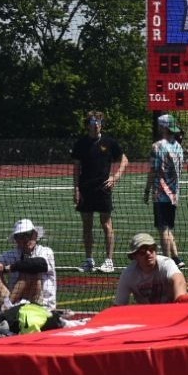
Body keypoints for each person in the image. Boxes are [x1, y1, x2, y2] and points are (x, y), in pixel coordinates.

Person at [70, 111, 128, 274]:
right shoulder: (80, 144)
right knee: (87, 225)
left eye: (99, 122)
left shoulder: (109, 142)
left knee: (106, 224)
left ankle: (109, 261)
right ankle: (89, 260)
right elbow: (76, 168)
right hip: (85, 189)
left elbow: (124, 160)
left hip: (103, 188)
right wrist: (76, 188)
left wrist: (115, 177)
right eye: (93, 122)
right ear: (88, 124)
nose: (96, 125)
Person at [0, 218, 58, 311]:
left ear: (35, 235)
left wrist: (8, 268)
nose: (25, 239)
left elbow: (40, 264)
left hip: (41, 306)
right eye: (21, 236)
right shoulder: (12, 254)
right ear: (16, 239)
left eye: (28, 234)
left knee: (29, 271)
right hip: (15, 303)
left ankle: (7, 307)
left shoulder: (46, 251)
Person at [143, 113, 185, 267]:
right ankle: (176, 258)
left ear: (162, 127)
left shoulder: (157, 146)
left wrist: (147, 190)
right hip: (174, 192)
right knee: (168, 226)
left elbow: (153, 171)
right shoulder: (178, 147)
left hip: (160, 192)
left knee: (163, 228)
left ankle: (167, 262)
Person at [112, 232, 188, 305]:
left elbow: (179, 281)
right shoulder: (128, 274)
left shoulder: (166, 263)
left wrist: (179, 303)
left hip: (172, 308)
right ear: (134, 256)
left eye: (151, 249)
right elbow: (119, 304)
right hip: (148, 313)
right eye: (142, 251)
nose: (148, 253)